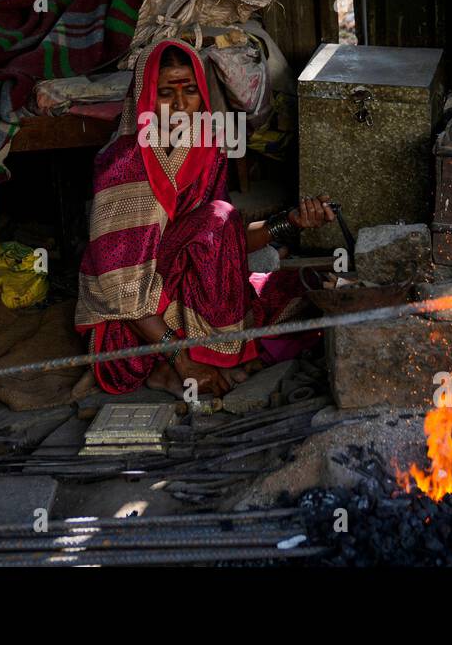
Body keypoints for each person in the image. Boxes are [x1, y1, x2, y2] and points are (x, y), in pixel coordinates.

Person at [76, 39, 336, 398]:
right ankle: (181, 365)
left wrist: (291, 221)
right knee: (217, 223)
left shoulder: (205, 146)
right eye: (166, 93)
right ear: (145, 98)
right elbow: (121, 292)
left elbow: (226, 238)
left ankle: (216, 353)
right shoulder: (124, 164)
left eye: (190, 91)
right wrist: (182, 360)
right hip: (131, 324)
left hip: (179, 292)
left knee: (302, 291)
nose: (181, 106)